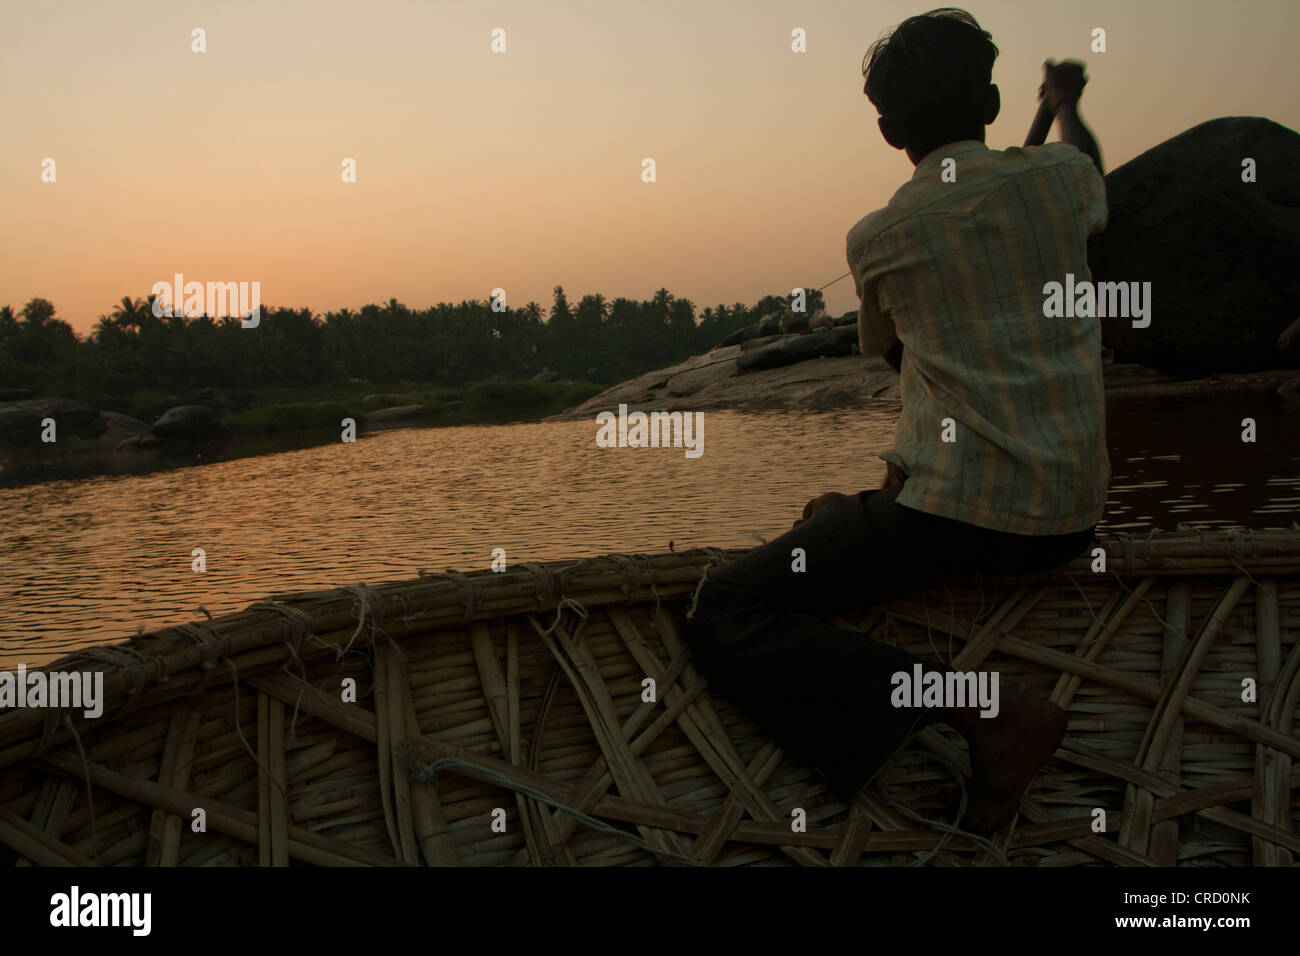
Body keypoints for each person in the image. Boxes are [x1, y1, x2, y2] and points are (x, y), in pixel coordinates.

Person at [683, 7, 1110, 836]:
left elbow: (894, 356)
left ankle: (983, 712)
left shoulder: (879, 236)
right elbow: (1087, 172)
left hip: (962, 517)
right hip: (1072, 510)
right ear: (990, 102)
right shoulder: (1059, 179)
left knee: (726, 608)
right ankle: (859, 525)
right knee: (850, 517)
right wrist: (1061, 105)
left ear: (887, 132)